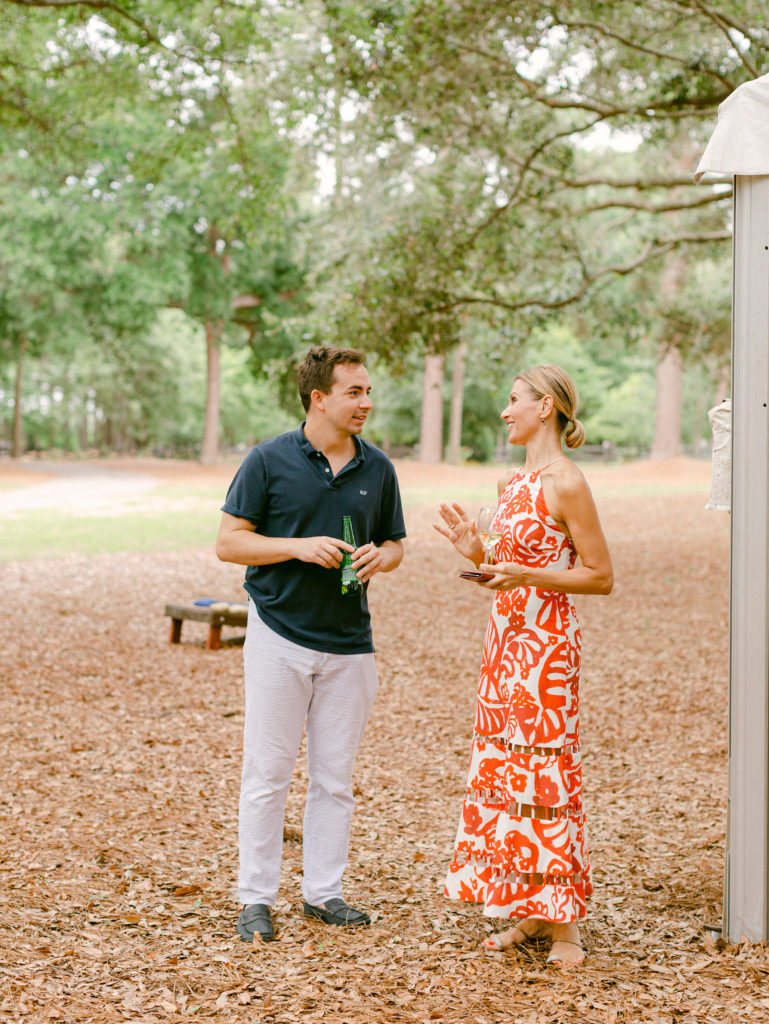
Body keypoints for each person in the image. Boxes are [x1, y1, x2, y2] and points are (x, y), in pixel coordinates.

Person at [216, 346, 406, 943]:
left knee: (334, 780)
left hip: (351, 644)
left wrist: (383, 558)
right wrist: (296, 547)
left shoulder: (378, 467)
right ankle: (255, 898)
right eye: (354, 392)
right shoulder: (267, 459)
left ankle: (324, 893)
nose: (366, 402)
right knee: (268, 773)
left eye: (368, 391)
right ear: (319, 398)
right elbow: (228, 542)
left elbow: (395, 543)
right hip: (279, 635)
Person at [434, 364, 613, 967]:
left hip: (547, 651)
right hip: (504, 645)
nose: (505, 411)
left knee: (546, 774)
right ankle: (532, 911)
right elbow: (507, 567)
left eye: (514, 400)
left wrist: (526, 574)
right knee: (511, 773)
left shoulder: (567, 482)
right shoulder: (512, 482)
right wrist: (477, 551)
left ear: (546, 407)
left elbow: (600, 575)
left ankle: (567, 928)